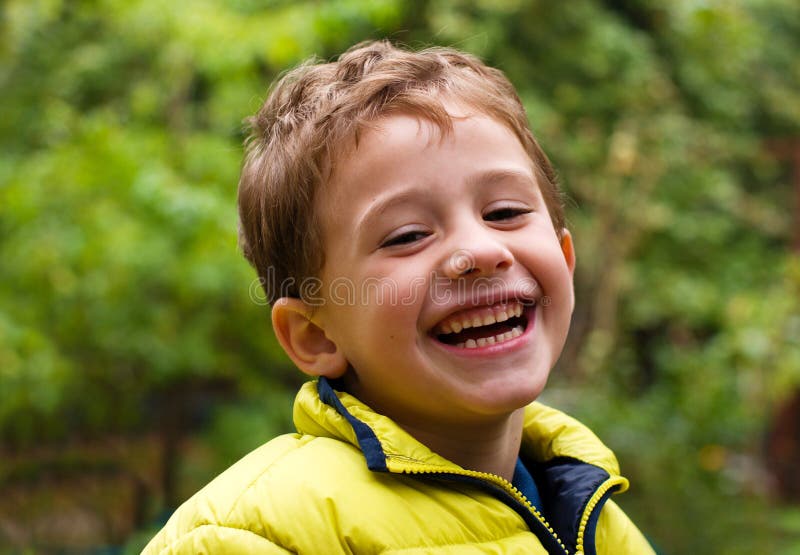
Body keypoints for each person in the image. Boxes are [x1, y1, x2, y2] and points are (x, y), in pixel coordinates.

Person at [143, 40, 655, 554]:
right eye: (407, 235)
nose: (480, 250)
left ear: (565, 259)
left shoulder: (598, 520)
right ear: (315, 334)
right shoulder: (251, 537)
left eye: (503, 211)